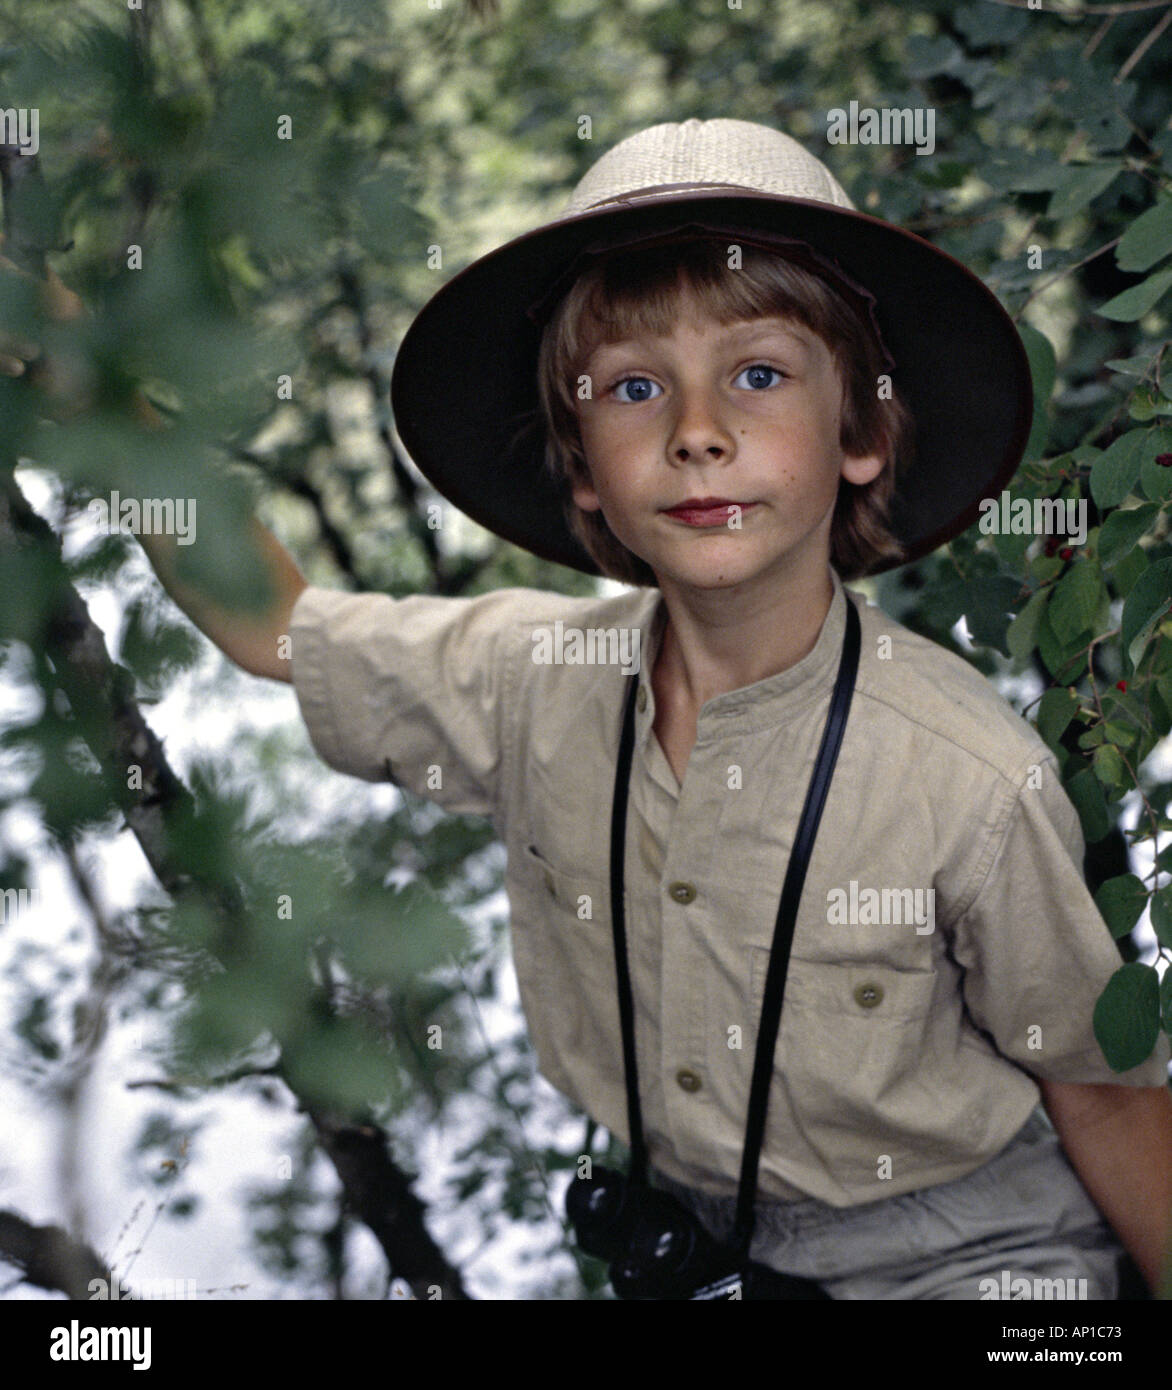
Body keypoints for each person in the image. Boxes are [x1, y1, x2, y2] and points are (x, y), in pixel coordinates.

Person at [133, 118, 1171, 1298]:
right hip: (687, 1245)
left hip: (968, 1256)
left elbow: (1103, 1092)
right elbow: (275, 625)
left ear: (861, 433)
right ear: (581, 463)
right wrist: (105, 404)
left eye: (759, 374)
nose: (695, 432)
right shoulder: (527, 681)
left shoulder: (972, 775)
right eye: (633, 388)